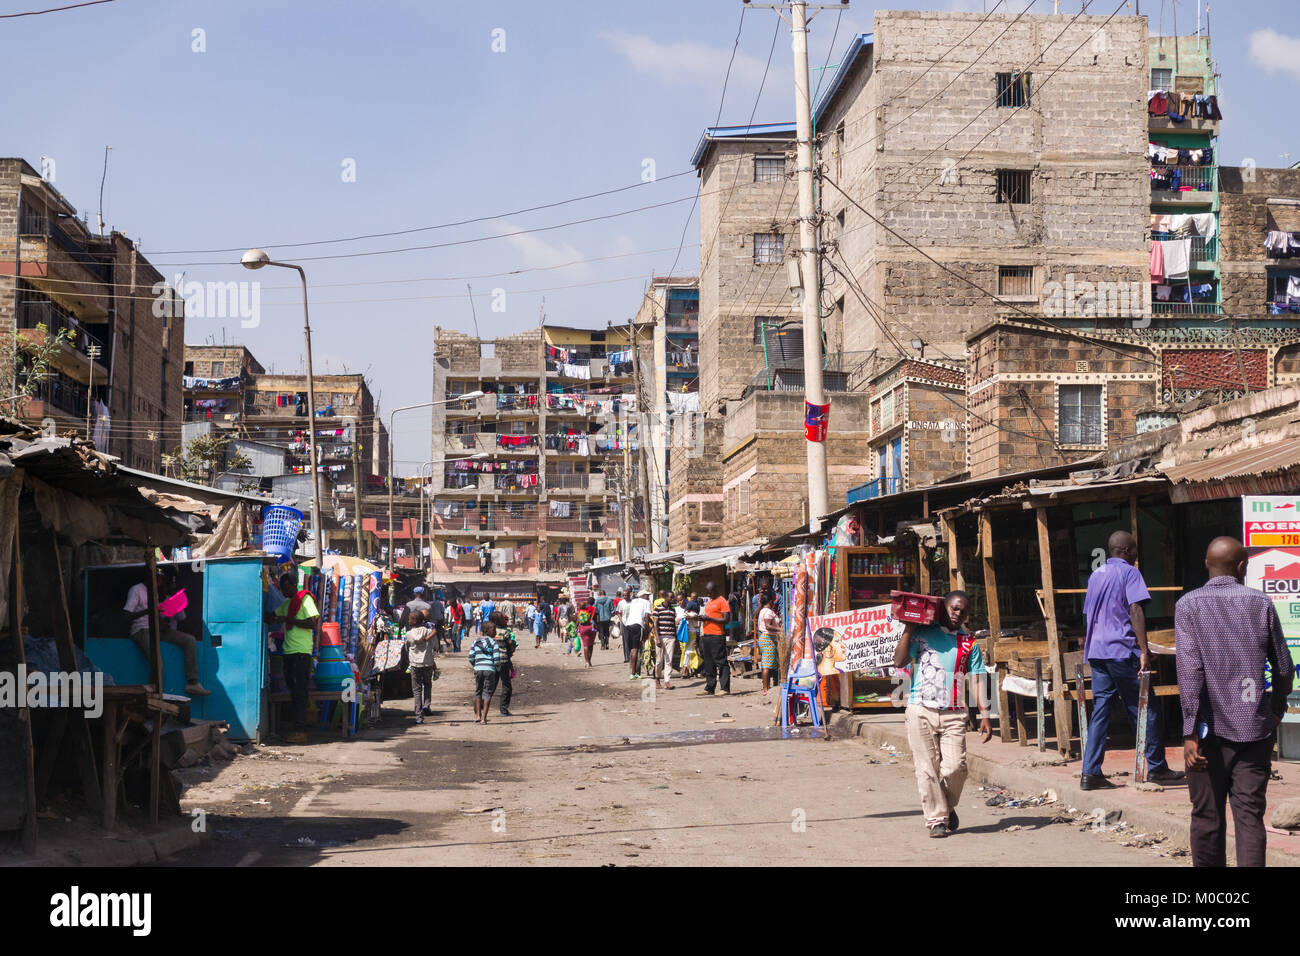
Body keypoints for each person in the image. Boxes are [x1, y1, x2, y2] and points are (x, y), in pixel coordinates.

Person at [1177, 536, 1294, 867]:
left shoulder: (1188, 605)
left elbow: (1190, 672)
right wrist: (1276, 709)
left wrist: (1189, 732)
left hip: (1206, 732)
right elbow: (1284, 667)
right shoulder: (1260, 604)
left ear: (1206, 564)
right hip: (1254, 730)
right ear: (1242, 566)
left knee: (1206, 816)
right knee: (1249, 818)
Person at [1080, 530, 1182, 790]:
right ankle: (1156, 768)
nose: (1137, 554)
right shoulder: (1130, 573)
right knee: (1145, 708)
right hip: (1121, 651)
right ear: (1126, 551)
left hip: (1097, 652)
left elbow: (1089, 613)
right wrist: (1145, 650)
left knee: (1100, 712)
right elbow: (1135, 609)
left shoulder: (1096, 575)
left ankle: (1090, 772)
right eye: (1135, 549)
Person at [893, 590, 992, 838]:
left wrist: (985, 714)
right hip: (920, 710)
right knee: (927, 768)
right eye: (954, 608)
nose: (958, 614)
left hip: (955, 714)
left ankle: (946, 806)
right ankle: (937, 820)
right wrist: (908, 628)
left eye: (963, 610)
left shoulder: (969, 642)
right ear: (943, 608)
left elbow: (978, 678)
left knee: (956, 768)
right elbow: (899, 661)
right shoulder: (922, 633)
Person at [124, 569, 210, 697]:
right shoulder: (136, 590)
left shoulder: (158, 593)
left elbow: (177, 617)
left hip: (156, 629)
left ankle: (192, 683)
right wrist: (150, 611)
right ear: (149, 577)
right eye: (157, 578)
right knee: (158, 663)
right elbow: (126, 615)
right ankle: (153, 688)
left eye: (161, 579)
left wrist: (161, 624)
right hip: (141, 629)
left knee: (189, 640)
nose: (159, 582)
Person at [268, 572, 321, 743]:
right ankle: (297, 728)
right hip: (289, 652)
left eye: (285, 589)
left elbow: (312, 623)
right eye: (281, 590)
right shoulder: (288, 604)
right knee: (293, 690)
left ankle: (300, 730)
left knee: (300, 691)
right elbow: (273, 615)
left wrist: (288, 619)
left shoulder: (304, 600)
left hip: (301, 652)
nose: (283, 592)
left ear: (293, 585)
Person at [404, 609, 438, 725]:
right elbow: (434, 646)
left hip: (415, 665)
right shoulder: (429, 632)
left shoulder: (409, 634)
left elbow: (406, 648)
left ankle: (419, 716)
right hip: (428, 663)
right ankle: (426, 705)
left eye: (409, 619)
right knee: (428, 684)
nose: (408, 620)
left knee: (417, 690)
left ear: (413, 621)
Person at [698, 582, 732, 696]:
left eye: (710, 592)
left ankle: (725, 688)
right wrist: (703, 618)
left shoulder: (722, 601)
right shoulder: (710, 602)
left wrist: (709, 618)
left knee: (721, 662)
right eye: (707, 592)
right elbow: (710, 617)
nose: (708, 594)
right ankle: (710, 687)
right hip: (707, 635)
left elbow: (726, 619)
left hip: (717, 636)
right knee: (708, 663)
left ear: (715, 590)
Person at [468, 622, 501, 724]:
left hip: (478, 669)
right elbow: (496, 659)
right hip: (490, 670)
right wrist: (496, 669)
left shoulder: (475, 642)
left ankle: (477, 715)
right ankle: (483, 718)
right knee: (487, 693)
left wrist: (476, 666)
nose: (495, 632)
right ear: (487, 631)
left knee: (478, 692)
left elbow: (471, 657)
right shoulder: (494, 643)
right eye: (494, 630)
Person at [490, 612, 517, 717]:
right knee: (506, 686)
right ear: (498, 621)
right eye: (502, 618)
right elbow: (510, 644)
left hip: (492, 662)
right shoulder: (505, 632)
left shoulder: (489, 631)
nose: (504, 620)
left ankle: (481, 706)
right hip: (503, 662)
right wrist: (512, 648)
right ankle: (503, 709)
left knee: (491, 685)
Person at [621, 589, 653, 680]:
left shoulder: (632, 601)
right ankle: (634, 673)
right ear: (643, 596)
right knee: (636, 649)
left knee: (632, 649)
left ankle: (634, 671)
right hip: (637, 626)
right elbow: (646, 617)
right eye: (647, 595)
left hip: (628, 625)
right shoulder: (646, 602)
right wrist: (647, 630)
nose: (648, 597)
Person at [652, 593, 678, 690]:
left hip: (671, 638)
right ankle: (657, 679)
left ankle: (667, 681)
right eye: (670, 597)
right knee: (659, 661)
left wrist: (676, 639)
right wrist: (657, 638)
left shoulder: (673, 610)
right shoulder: (658, 609)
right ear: (665, 598)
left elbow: (673, 625)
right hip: (660, 637)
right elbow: (655, 624)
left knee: (669, 660)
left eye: (673, 597)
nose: (672, 599)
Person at [757, 592, 781, 695]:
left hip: (766, 638)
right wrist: (780, 629)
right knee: (767, 664)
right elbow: (768, 626)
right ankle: (766, 689)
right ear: (771, 601)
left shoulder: (763, 611)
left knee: (770, 663)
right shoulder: (767, 611)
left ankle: (767, 687)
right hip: (768, 638)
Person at [576, 600, 598, 667]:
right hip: (591, 628)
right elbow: (596, 619)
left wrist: (576, 628)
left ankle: (586, 662)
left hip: (583, 628)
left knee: (585, 645)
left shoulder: (579, 613)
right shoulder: (591, 611)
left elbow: (577, 622)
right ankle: (590, 661)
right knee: (591, 645)